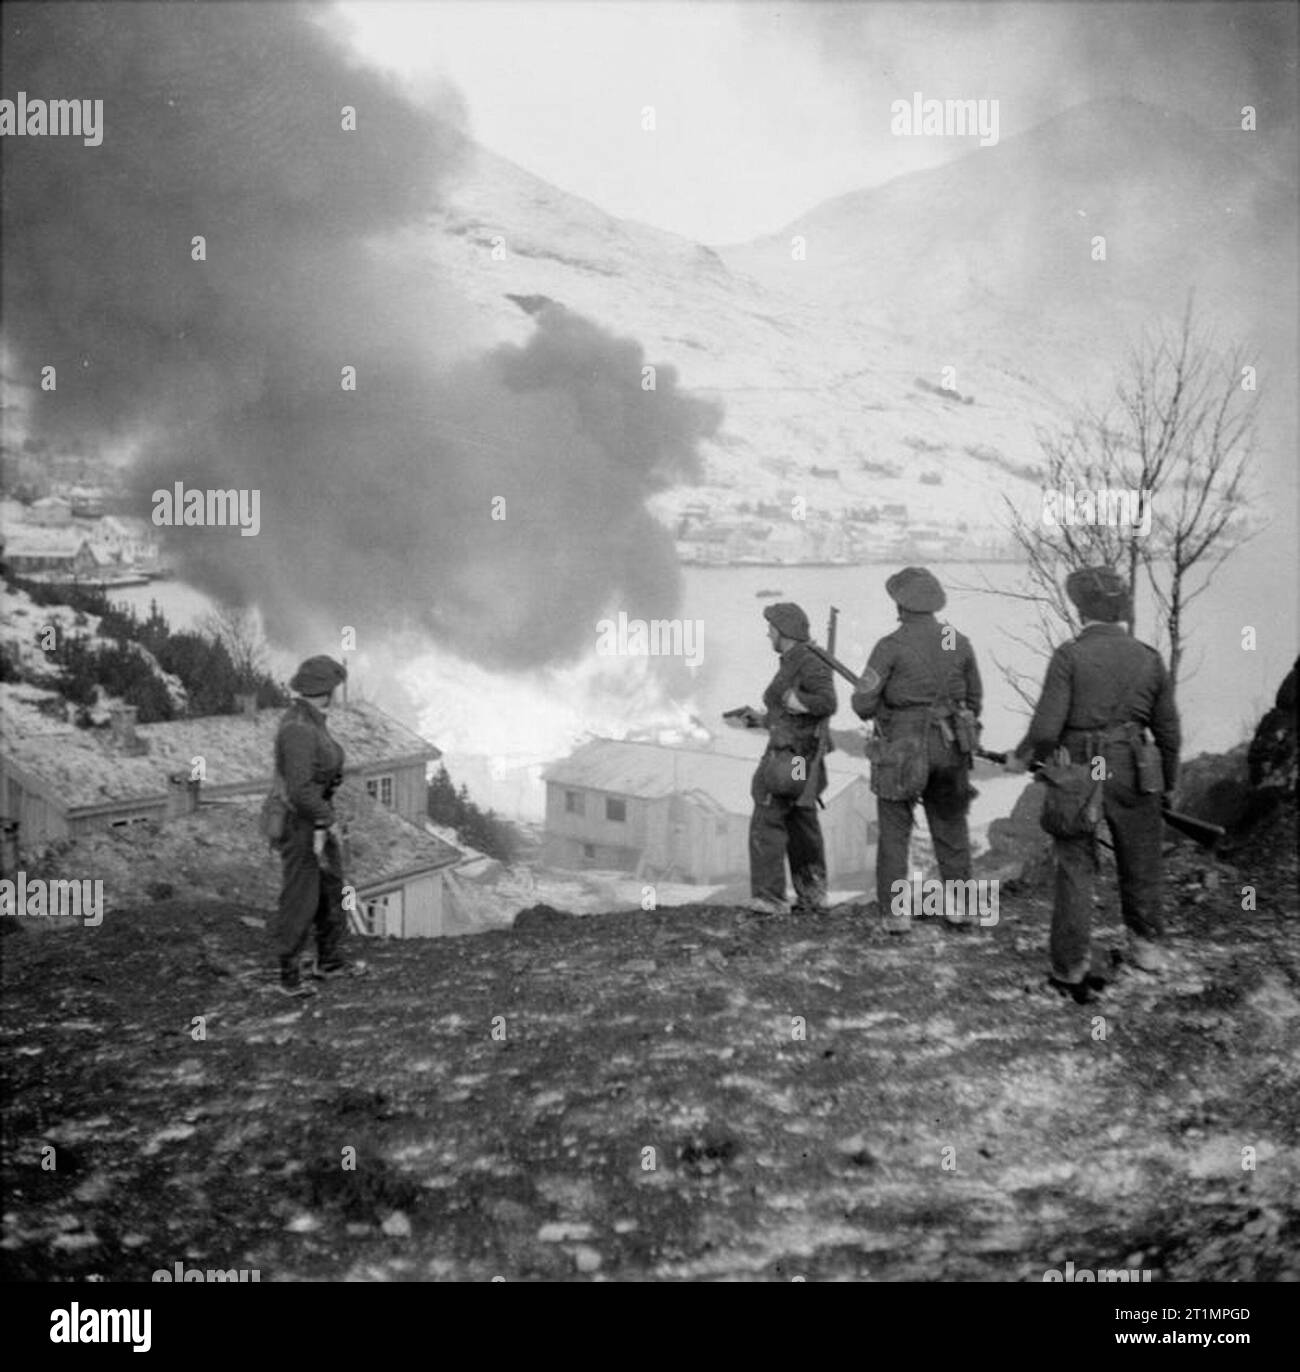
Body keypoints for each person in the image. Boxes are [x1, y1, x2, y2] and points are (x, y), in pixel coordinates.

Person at [1006, 567, 1181, 1002]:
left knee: (1075, 867)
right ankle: (1148, 954)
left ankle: (1070, 971)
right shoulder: (1149, 657)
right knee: (1141, 863)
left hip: (1082, 768)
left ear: (1080, 608)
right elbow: (1169, 733)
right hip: (1134, 767)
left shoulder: (1069, 656)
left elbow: (1047, 728)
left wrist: (1025, 758)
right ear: (1119, 610)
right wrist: (1168, 786)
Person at [851, 567, 982, 930]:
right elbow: (974, 699)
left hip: (902, 751)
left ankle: (896, 915)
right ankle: (965, 908)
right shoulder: (956, 640)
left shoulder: (889, 646)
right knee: (952, 828)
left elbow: (862, 704)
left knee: (894, 831)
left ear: (900, 604)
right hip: (950, 747)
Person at [734, 602, 838, 916]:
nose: (768, 634)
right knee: (800, 818)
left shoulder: (807, 661)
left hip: (790, 757)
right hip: (799, 756)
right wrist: (763, 720)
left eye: (772, 629)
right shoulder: (797, 659)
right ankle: (812, 894)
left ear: (785, 631)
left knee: (767, 814)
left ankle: (770, 898)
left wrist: (797, 700)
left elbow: (826, 702)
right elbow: (791, 715)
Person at [272, 655, 352, 997]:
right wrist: (327, 819)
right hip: (302, 823)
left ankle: (328, 961)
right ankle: (289, 976)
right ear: (326, 691)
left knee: (329, 890)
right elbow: (300, 790)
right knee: (301, 897)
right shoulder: (299, 729)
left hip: (316, 818)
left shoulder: (310, 720)